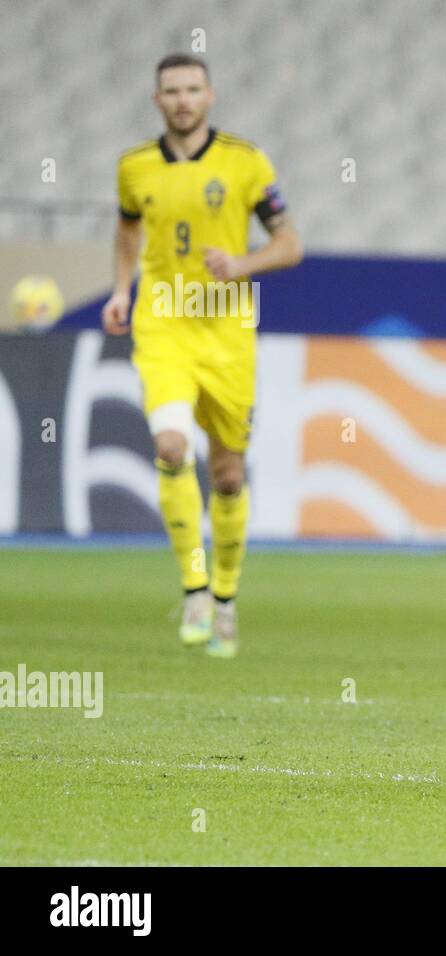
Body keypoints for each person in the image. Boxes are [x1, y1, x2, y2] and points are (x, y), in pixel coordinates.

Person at [101, 54, 303, 658]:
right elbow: (127, 231)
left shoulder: (245, 162)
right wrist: (119, 288)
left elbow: (290, 242)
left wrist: (242, 264)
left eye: (192, 89)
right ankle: (193, 585)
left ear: (210, 95)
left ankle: (224, 600)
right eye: (172, 91)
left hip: (227, 335)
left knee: (228, 475)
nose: (183, 100)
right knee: (169, 446)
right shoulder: (134, 168)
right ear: (157, 99)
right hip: (162, 324)